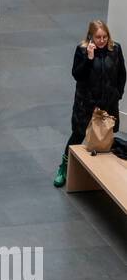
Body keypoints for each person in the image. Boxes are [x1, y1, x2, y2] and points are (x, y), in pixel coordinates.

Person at [54, 20, 127, 187]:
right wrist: (89, 58)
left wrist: (117, 95)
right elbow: (77, 75)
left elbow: (122, 74)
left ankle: (103, 174)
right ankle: (63, 168)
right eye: (98, 37)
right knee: (78, 135)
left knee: (105, 137)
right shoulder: (82, 50)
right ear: (91, 37)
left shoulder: (115, 49)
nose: (102, 40)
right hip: (86, 105)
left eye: (104, 37)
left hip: (108, 104)